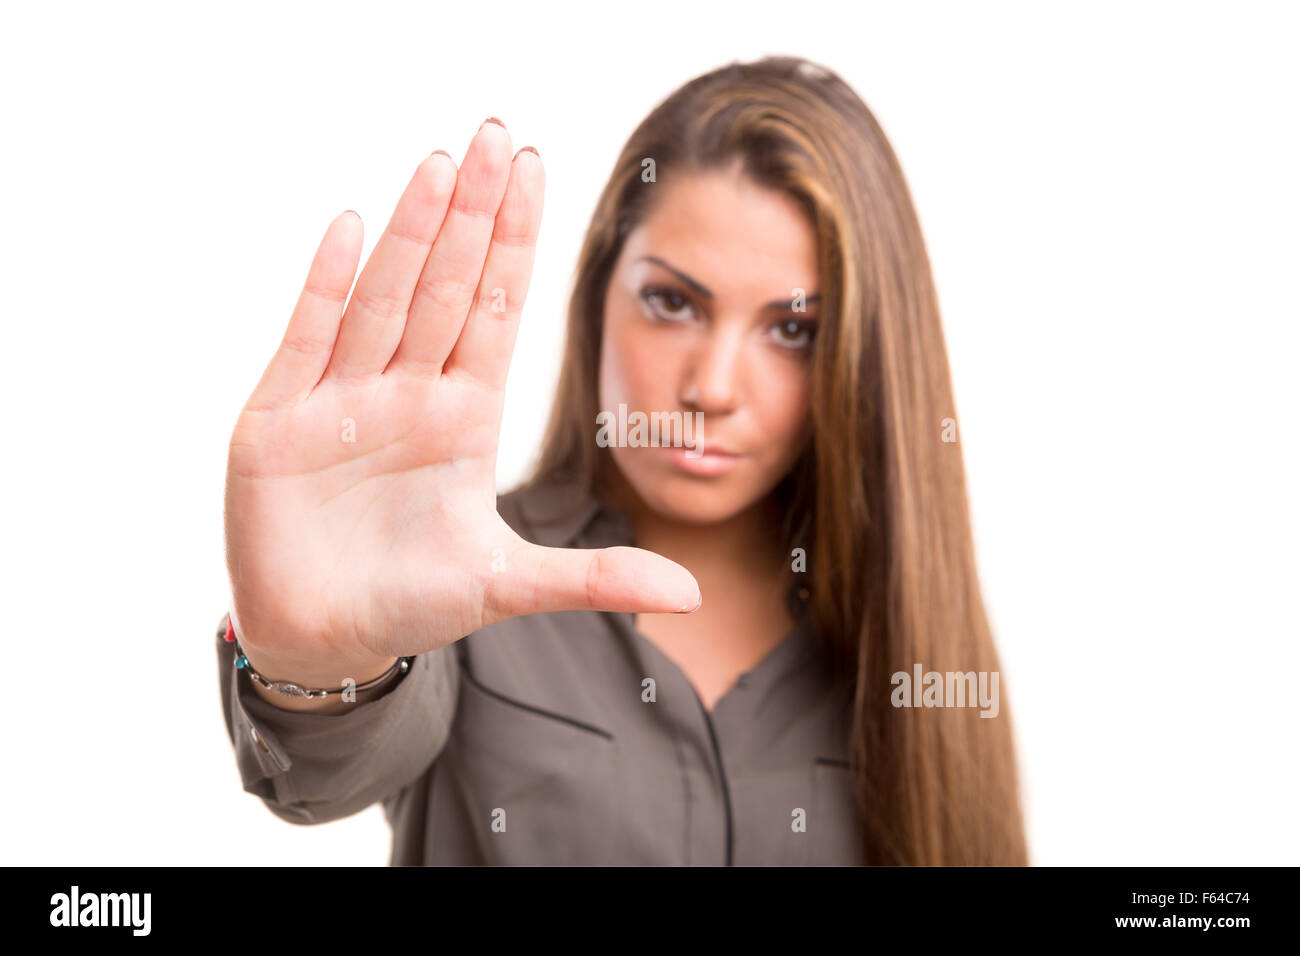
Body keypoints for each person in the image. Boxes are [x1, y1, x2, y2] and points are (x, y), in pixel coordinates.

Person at [216, 54, 1029, 865]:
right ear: (598, 293)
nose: (711, 388)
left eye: (793, 330)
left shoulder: (905, 634)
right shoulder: (447, 576)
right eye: (672, 302)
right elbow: (320, 769)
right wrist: (314, 671)